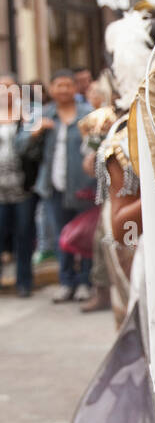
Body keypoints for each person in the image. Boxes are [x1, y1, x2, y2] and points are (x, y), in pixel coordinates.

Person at [29, 68, 95, 301]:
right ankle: (67, 282)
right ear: (52, 89)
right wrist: (34, 133)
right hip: (53, 186)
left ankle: (86, 282)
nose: (64, 89)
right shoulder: (43, 114)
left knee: (85, 235)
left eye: (68, 85)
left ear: (75, 88)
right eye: (59, 85)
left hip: (84, 186)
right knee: (61, 236)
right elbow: (21, 147)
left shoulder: (88, 114)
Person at [0, 78, 39, 297]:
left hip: (22, 188)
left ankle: (24, 281)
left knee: (24, 236)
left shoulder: (27, 116)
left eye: (9, 87)